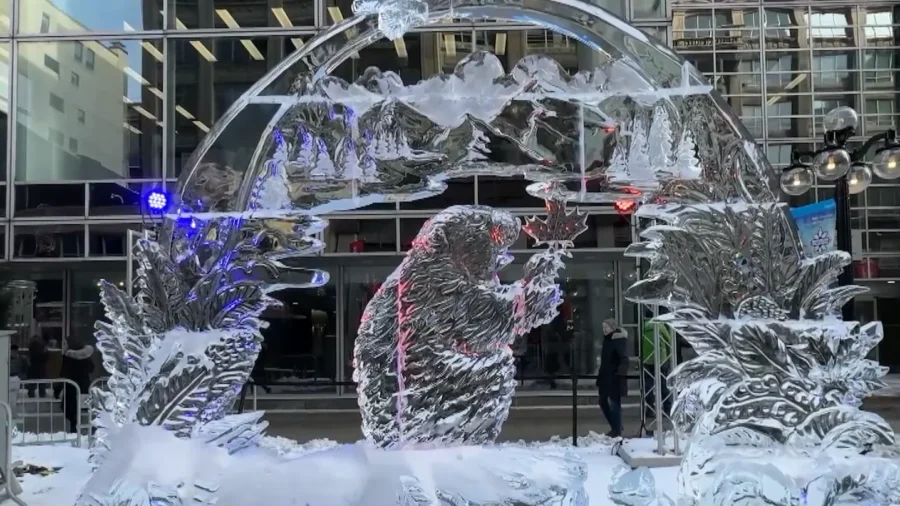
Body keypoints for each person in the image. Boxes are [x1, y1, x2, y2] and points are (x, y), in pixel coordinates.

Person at [641, 309, 672, 437]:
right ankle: (667, 408)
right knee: (663, 384)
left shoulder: (643, 327)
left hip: (647, 359)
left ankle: (650, 409)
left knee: (649, 385)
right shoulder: (659, 325)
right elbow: (669, 339)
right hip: (661, 359)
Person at [596, 319, 629, 438]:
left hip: (615, 377)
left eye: (607, 327)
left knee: (615, 404)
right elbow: (605, 362)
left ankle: (617, 430)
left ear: (613, 328)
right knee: (602, 401)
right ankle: (616, 426)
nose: (604, 329)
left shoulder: (618, 340)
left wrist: (620, 372)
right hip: (606, 377)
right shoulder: (607, 341)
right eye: (603, 327)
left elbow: (624, 358)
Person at [57, 337, 94, 433]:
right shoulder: (85, 356)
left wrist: (58, 388)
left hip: (72, 386)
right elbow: (91, 368)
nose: (64, 346)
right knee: (83, 408)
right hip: (84, 385)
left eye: (65, 343)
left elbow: (64, 373)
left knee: (71, 409)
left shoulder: (68, 356)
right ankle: (88, 429)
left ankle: (75, 430)